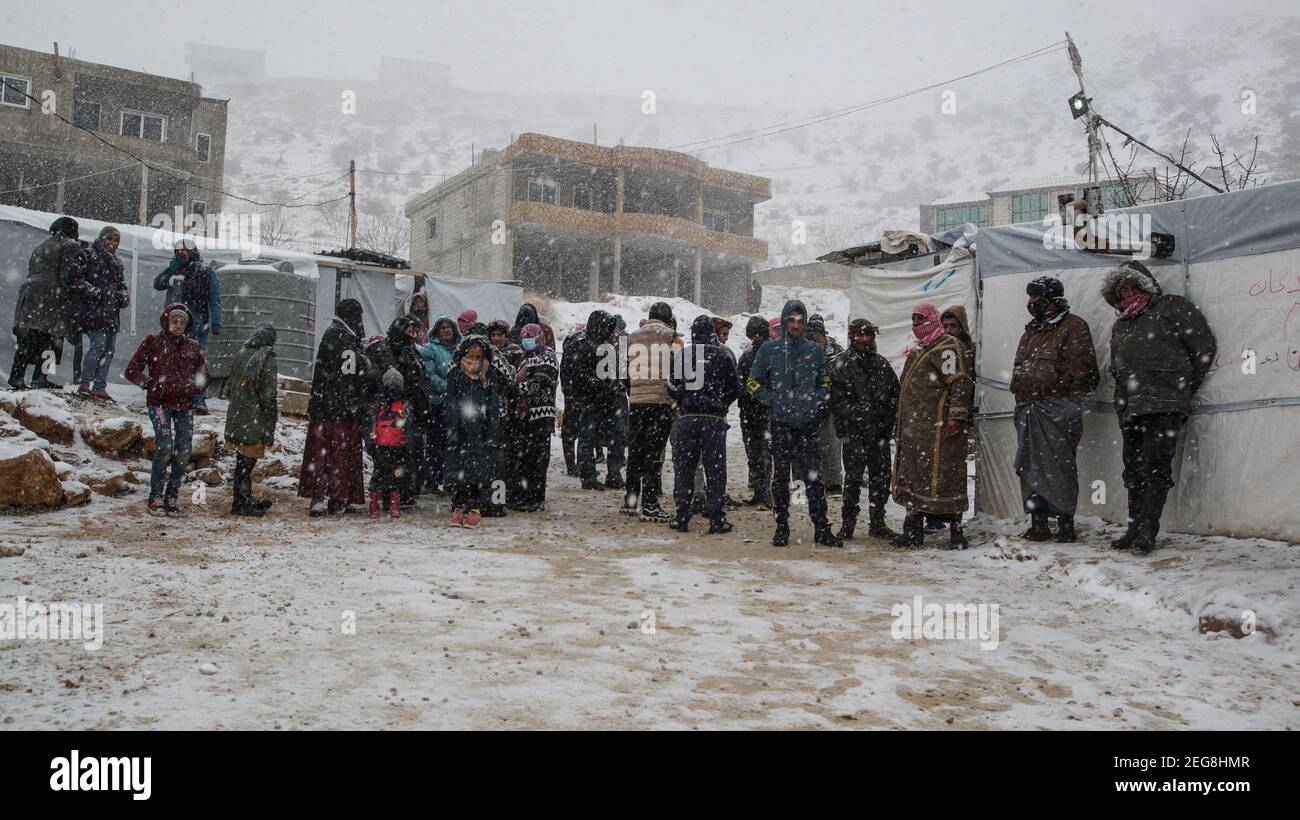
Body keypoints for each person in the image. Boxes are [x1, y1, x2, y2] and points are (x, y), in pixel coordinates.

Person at [1103, 260, 1216, 553]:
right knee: (1134, 472)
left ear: (1144, 284)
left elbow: (1203, 347)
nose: (1126, 293)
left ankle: (1146, 532)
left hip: (1164, 405)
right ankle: (1133, 528)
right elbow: (1118, 369)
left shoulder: (1172, 307)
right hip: (1132, 409)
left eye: (1130, 286)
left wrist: (1181, 386)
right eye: (1120, 290)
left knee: (1155, 471)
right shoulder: (1121, 324)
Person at [1009, 278, 1100, 543]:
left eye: (1036, 299)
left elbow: (1084, 371)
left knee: (1059, 468)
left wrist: (1066, 404)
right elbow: (1020, 366)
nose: (1031, 304)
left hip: (1057, 409)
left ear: (1051, 300)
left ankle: (1065, 524)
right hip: (1029, 408)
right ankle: (1038, 523)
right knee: (1031, 467)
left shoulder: (1073, 327)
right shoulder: (1031, 332)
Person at [747, 299, 840, 548]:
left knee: (814, 478)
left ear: (805, 322)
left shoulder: (814, 350)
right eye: (791, 320)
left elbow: (825, 381)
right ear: (785, 320)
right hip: (781, 423)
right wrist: (772, 400)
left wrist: (818, 402)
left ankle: (821, 527)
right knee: (780, 478)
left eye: (800, 320)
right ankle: (782, 527)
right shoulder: (769, 350)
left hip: (808, 424)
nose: (796, 325)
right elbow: (752, 382)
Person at [891, 303, 975, 548]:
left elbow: (959, 382)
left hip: (939, 430)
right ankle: (913, 530)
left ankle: (956, 533)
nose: (917, 325)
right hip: (917, 431)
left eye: (921, 320)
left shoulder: (948, 347)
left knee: (946, 477)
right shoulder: (920, 350)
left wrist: (955, 417)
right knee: (915, 479)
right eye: (914, 321)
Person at [124, 303, 209, 516]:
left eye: (182, 322)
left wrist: (193, 387)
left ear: (187, 325)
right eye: (174, 321)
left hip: (184, 405)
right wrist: (150, 383)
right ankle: (155, 497)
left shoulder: (193, 346)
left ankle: (172, 495)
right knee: (164, 447)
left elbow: (205, 375)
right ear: (167, 321)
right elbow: (132, 370)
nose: (178, 325)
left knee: (184, 452)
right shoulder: (153, 342)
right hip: (159, 404)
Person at [667, 315, 739, 534]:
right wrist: (720, 404)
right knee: (715, 470)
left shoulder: (682, 354)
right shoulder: (722, 354)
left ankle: (682, 515)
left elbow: (670, 384)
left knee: (684, 468)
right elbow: (735, 388)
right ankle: (716, 517)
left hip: (687, 418)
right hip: (714, 419)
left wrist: (683, 399)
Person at [830, 318, 900, 540]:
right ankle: (848, 524)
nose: (864, 339)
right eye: (860, 335)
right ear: (851, 336)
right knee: (852, 481)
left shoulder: (881, 364)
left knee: (881, 479)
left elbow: (895, 394)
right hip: (854, 434)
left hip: (878, 434)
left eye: (868, 335)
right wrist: (857, 416)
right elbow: (836, 401)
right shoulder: (841, 364)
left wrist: (886, 420)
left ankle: (877, 522)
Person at [300, 299, 370, 516]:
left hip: (333, 405)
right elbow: (350, 372)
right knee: (333, 454)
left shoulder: (335, 334)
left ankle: (335, 497)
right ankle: (326, 497)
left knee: (329, 453)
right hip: (335, 407)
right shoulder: (343, 339)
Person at [367, 315, 433, 505]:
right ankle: (386, 492)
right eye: (409, 331)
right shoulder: (380, 350)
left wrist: (420, 406)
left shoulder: (412, 352)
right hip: (385, 412)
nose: (412, 336)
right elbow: (372, 381)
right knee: (385, 453)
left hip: (408, 410)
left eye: (415, 332)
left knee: (408, 452)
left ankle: (403, 490)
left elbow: (421, 380)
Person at [622, 302, 680, 520]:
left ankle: (630, 500)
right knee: (653, 455)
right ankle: (650, 504)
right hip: (660, 403)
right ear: (668, 318)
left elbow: (622, 370)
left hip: (636, 403)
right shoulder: (672, 337)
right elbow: (677, 368)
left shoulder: (632, 337)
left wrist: (632, 390)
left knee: (635, 452)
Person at [10, 216, 82, 391]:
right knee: (50, 340)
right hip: (51, 296)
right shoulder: (70, 245)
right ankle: (40, 378)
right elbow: (67, 276)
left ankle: (17, 377)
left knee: (27, 339)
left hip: (29, 295)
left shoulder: (41, 246)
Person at [152, 238, 221, 414]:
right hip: (173, 320)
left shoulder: (205, 271)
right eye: (178, 250)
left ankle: (198, 399)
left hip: (197, 321)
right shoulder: (174, 270)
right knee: (169, 358)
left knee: (196, 359)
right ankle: (171, 396)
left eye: (185, 250)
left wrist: (216, 320)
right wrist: (170, 269)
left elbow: (214, 298)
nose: (181, 253)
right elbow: (158, 284)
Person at [66, 225, 129, 401]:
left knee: (109, 350)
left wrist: (123, 296)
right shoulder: (88, 255)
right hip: (94, 312)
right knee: (98, 346)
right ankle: (85, 383)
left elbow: (122, 285)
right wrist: (95, 292)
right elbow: (75, 279)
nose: (113, 243)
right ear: (102, 238)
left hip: (111, 313)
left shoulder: (117, 263)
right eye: (110, 238)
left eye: (116, 240)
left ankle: (99, 386)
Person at [223, 323, 279, 517]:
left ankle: (244, 498)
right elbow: (268, 396)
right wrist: (271, 420)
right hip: (254, 419)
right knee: (246, 463)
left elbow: (229, 387)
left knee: (242, 461)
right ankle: (240, 502)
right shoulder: (267, 359)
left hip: (237, 415)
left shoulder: (241, 353)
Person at [444, 335, 499, 529]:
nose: (475, 360)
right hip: (460, 430)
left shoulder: (489, 374)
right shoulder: (456, 374)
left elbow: (493, 405)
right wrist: (452, 426)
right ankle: (459, 506)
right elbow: (450, 402)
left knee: (479, 471)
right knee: (459, 470)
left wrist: (492, 431)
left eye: (479, 356)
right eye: (471, 355)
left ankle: (475, 508)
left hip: (481, 431)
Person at [567, 310, 624, 490]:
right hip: (590, 401)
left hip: (609, 401)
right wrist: (600, 386)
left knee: (617, 438)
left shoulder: (607, 345)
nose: (608, 330)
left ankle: (614, 475)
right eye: (606, 325)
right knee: (587, 439)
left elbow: (615, 372)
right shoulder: (583, 345)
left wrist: (616, 385)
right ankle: (588, 476)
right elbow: (579, 374)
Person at [510, 323, 559, 511]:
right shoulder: (526, 357)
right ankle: (525, 496)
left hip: (540, 415)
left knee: (537, 459)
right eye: (523, 336)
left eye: (529, 336)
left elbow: (540, 383)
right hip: (525, 415)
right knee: (526, 458)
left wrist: (515, 390)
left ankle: (535, 499)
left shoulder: (547, 356)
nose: (526, 340)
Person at [417, 315, 460, 496]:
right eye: (442, 328)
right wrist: (448, 387)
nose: (446, 330)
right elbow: (430, 375)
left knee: (455, 443)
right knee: (436, 443)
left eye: (448, 327)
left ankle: (451, 480)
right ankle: (433, 480)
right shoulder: (430, 349)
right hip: (439, 403)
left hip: (457, 403)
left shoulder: (460, 349)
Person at [737, 315, 773, 510]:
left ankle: (764, 494)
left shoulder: (756, 356)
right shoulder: (753, 355)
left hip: (756, 411)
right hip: (757, 411)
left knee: (760, 454)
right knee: (759, 453)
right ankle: (761, 493)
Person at [806, 314, 844, 494]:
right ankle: (812, 481)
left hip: (832, 404)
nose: (814, 337)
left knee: (832, 445)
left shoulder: (837, 351)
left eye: (816, 333)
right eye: (811, 333)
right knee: (810, 446)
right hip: (809, 405)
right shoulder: (803, 350)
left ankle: (834, 482)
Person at [484, 321, 517, 516]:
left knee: (498, 460)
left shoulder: (498, 356)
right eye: (492, 335)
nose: (496, 339)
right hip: (483, 415)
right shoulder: (469, 357)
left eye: (499, 335)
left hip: (500, 413)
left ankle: (497, 501)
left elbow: (511, 378)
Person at [369, 367, 408, 520]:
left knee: (387, 475)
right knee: (387, 475)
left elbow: (409, 426)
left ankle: (384, 504)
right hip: (388, 445)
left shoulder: (381, 403)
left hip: (391, 446)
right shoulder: (389, 404)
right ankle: (383, 504)